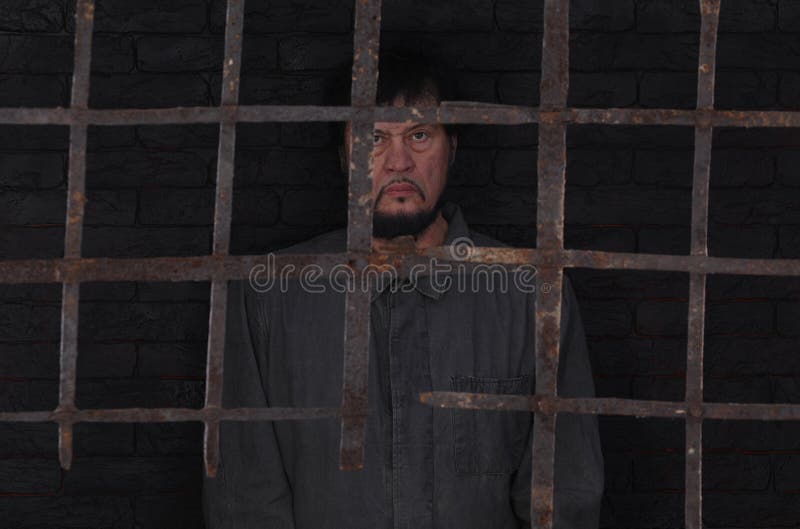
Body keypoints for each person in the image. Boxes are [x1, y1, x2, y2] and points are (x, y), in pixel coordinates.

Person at [203, 51, 603, 529]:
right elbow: (246, 500)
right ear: (342, 154)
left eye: (419, 135)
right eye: (373, 138)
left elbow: (564, 495)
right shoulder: (269, 296)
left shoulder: (531, 296)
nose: (398, 162)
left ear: (451, 144)